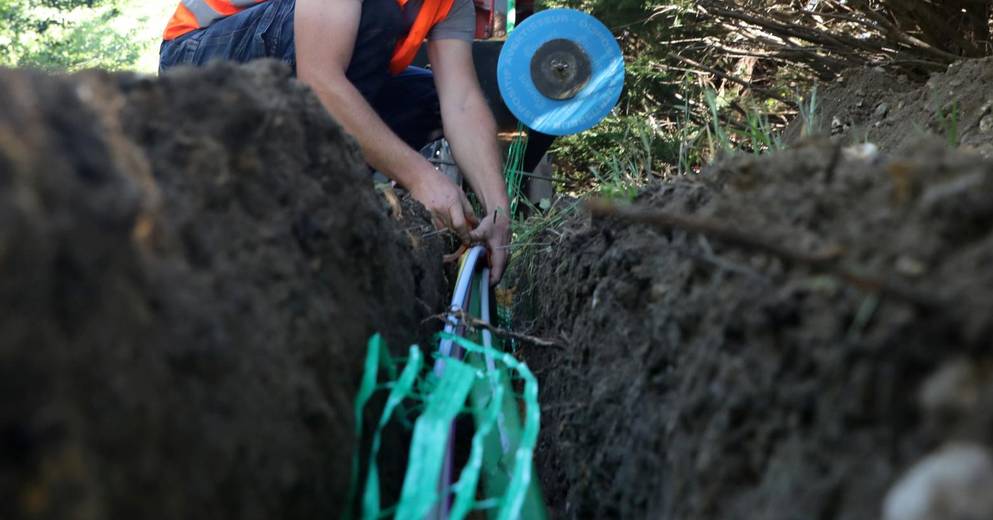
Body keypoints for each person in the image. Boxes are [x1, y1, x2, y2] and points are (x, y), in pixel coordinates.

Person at [159, 0, 511, 284]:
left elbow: (461, 103)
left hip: (294, 68)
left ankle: (338, 204)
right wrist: (421, 178)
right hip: (199, 58)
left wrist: (498, 212)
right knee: (377, 14)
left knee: (429, 100)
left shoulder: (454, 4)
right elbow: (320, 77)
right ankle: (313, 209)